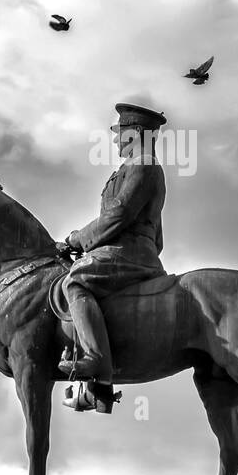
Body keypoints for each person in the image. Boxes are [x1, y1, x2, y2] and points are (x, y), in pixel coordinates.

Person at [56, 103, 168, 412]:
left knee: (75, 282)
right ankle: (100, 391)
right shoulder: (131, 168)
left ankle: (93, 359)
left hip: (129, 254)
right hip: (127, 251)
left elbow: (117, 216)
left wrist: (75, 238)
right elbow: (157, 235)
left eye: (120, 134)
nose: (117, 141)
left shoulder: (144, 166)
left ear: (135, 134)